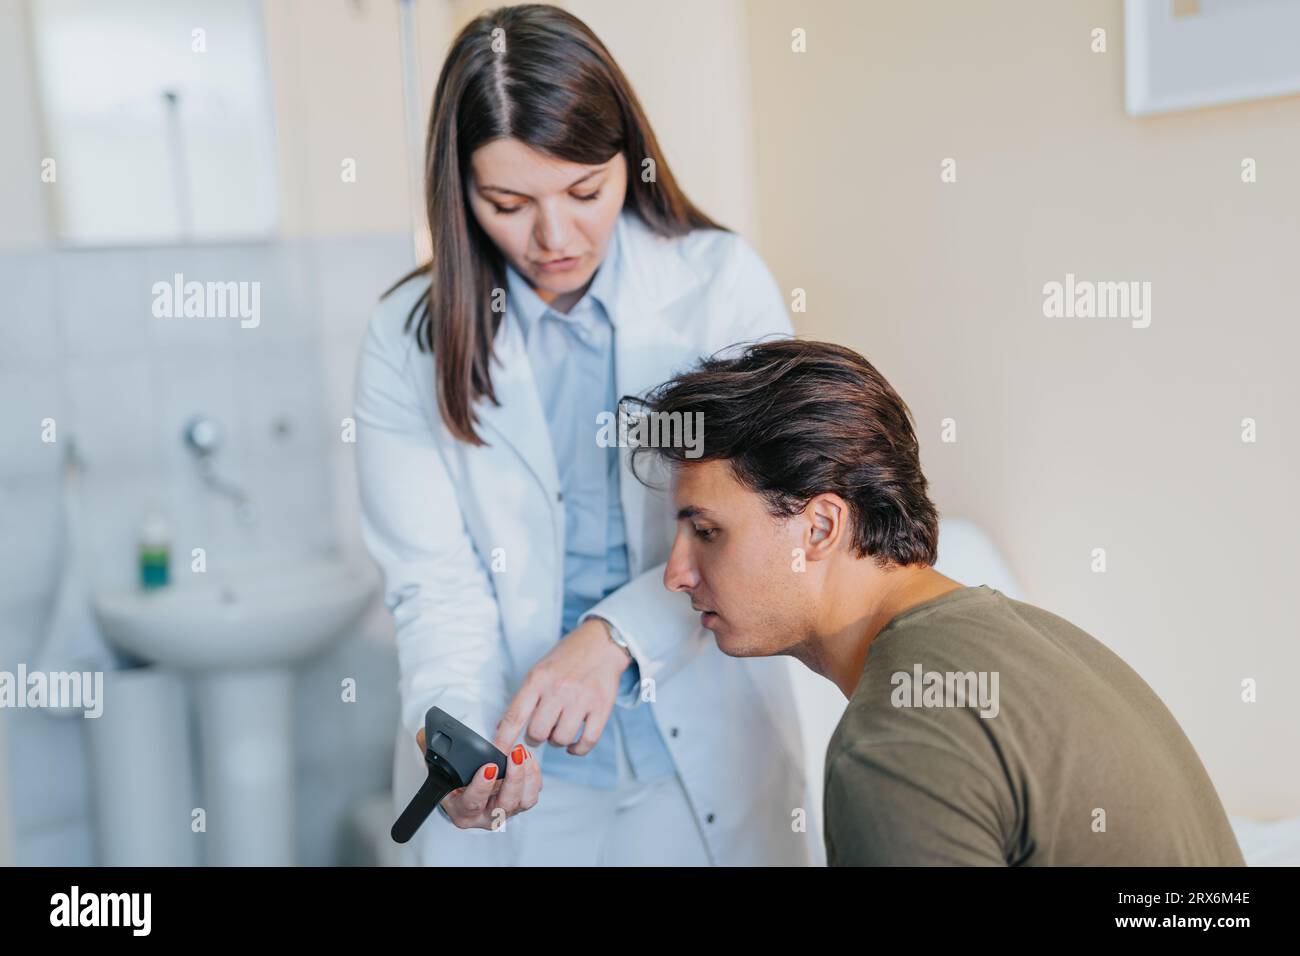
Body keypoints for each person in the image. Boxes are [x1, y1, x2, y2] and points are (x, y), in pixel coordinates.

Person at [354, 4, 813, 866]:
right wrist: (454, 733)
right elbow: (436, 590)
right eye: (509, 202)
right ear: (461, 191)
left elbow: (761, 528)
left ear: (626, 163)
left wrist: (614, 637)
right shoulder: (405, 339)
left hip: (701, 753)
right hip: (527, 771)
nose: (555, 237)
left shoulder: (717, 287)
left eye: (584, 191)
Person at [627, 338, 1246, 866]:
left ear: (819, 528)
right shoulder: (1036, 639)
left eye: (706, 531)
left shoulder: (892, 745)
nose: (676, 574)